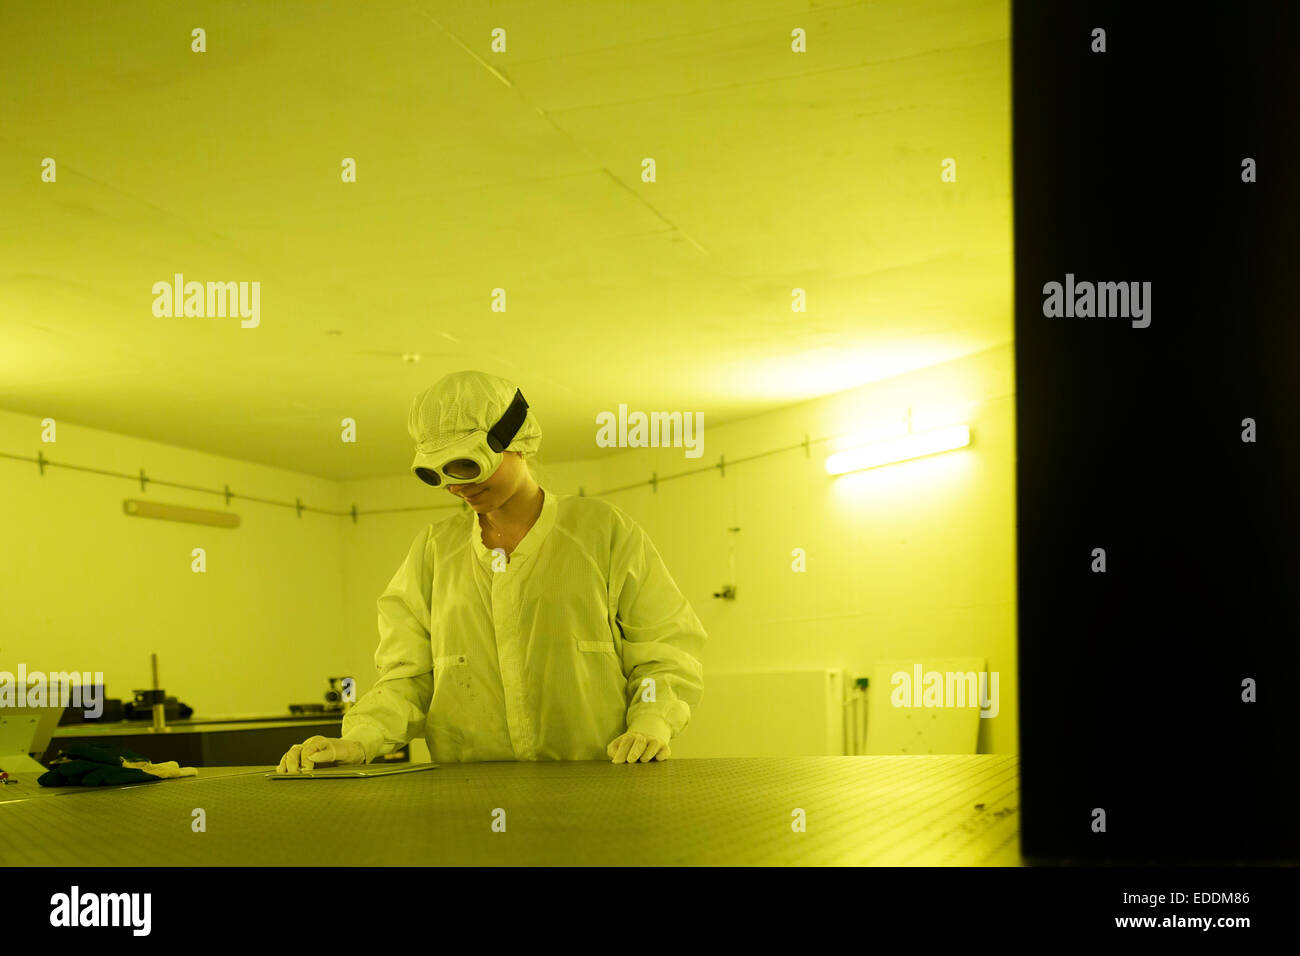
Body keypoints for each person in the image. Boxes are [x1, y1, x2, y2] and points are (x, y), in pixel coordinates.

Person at [277, 370, 706, 771]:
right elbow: (408, 679)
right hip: (469, 800)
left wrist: (652, 722)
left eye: (466, 464)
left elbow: (664, 652)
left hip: (596, 786)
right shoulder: (434, 551)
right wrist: (360, 739)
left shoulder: (601, 532)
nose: (457, 485)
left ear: (514, 440)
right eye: (438, 472)